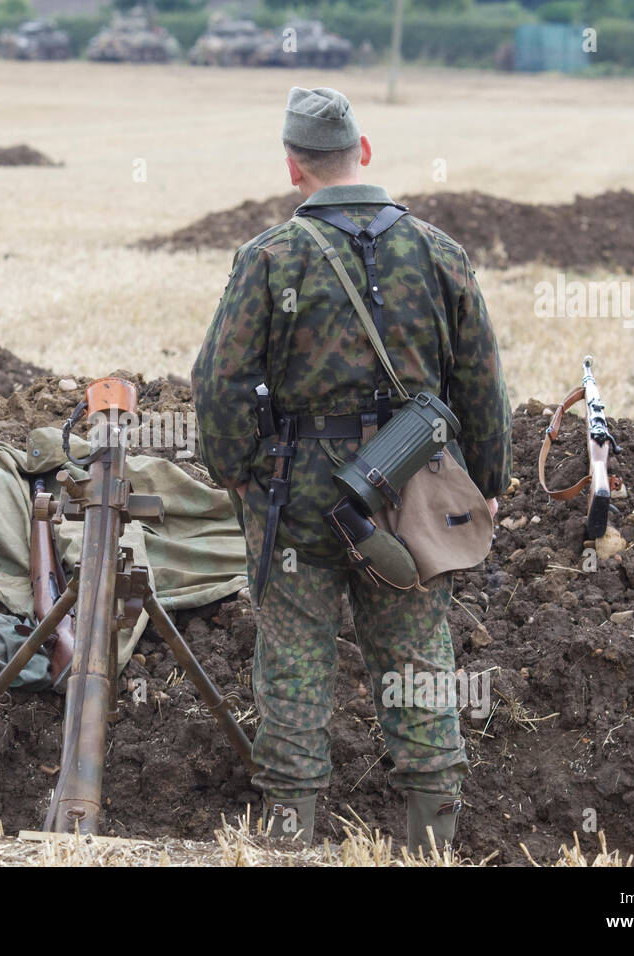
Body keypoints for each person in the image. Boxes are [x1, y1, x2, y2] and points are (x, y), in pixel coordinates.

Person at [191, 88, 511, 853]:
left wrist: (238, 471)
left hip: (295, 489)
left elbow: (221, 381)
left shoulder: (269, 256)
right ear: (363, 153)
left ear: (293, 167)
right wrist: (485, 483)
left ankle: (288, 836)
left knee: (294, 656)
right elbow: (482, 384)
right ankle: (429, 841)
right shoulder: (439, 251)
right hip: (410, 483)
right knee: (416, 656)